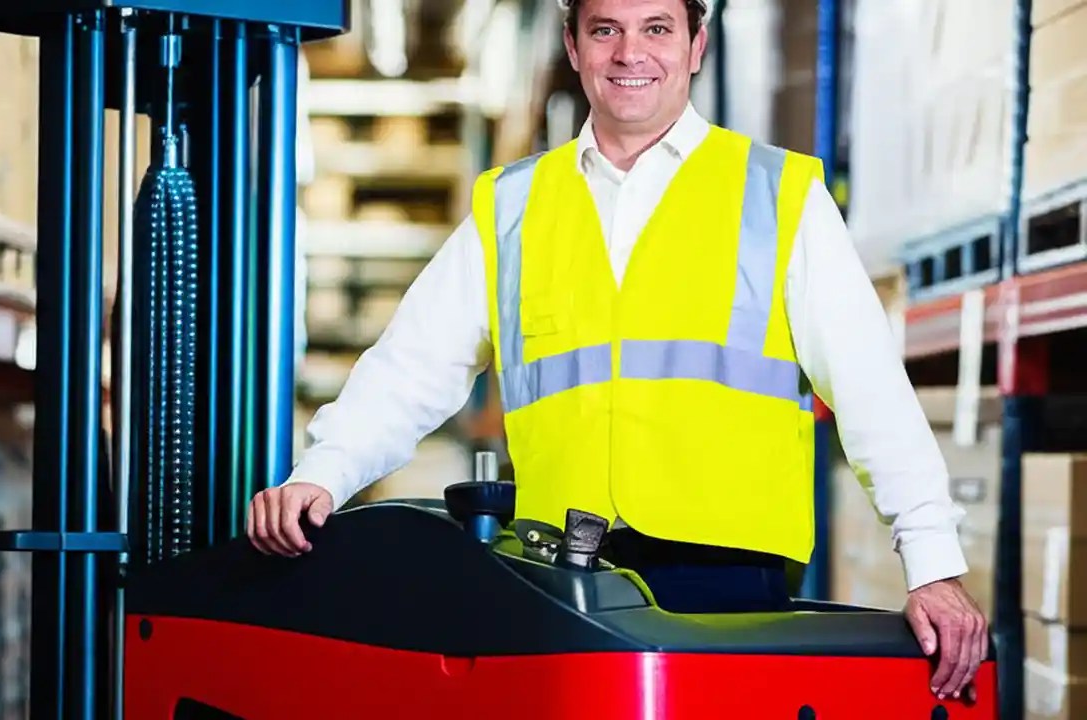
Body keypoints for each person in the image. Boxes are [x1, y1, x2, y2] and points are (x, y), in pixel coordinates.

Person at [248, 0, 988, 703]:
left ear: (696, 46)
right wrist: (323, 475)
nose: (631, 53)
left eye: (657, 28)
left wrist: (932, 564)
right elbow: (411, 368)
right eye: (605, 30)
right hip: (555, 576)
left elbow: (871, 391)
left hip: (724, 583)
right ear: (573, 48)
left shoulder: (777, 193)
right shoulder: (512, 205)